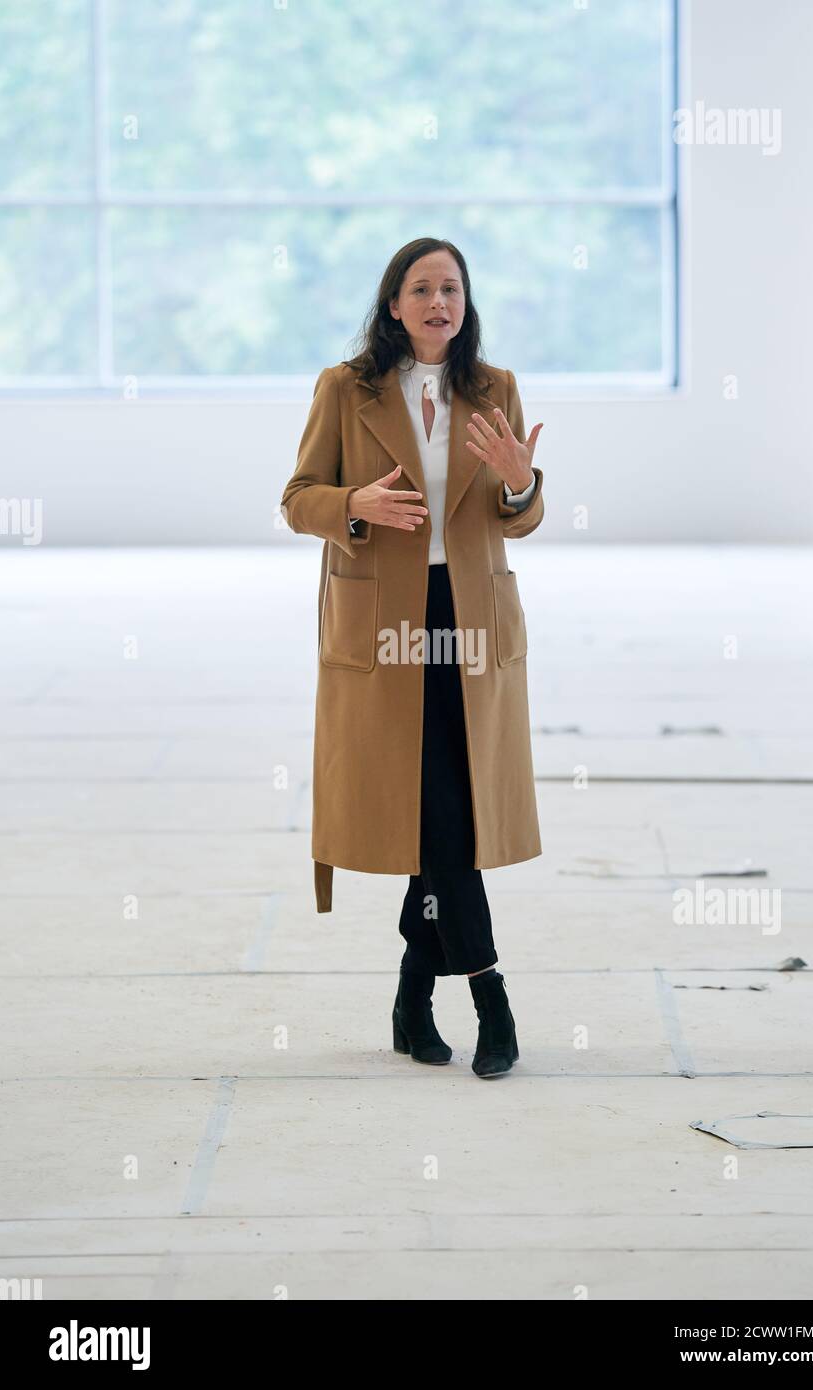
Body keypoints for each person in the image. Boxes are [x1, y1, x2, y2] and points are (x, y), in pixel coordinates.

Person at [279, 237, 545, 1077]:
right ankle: (490, 998)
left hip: (467, 619)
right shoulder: (344, 389)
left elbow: (521, 517)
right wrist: (353, 505)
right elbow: (297, 502)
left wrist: (519, 484)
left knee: (447, 813)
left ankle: (412, 994)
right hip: (382, 626)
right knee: (435, 813)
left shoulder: (492, 388)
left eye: (452, 288)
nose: (439, 302)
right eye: (422, 288)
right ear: (393, 304)